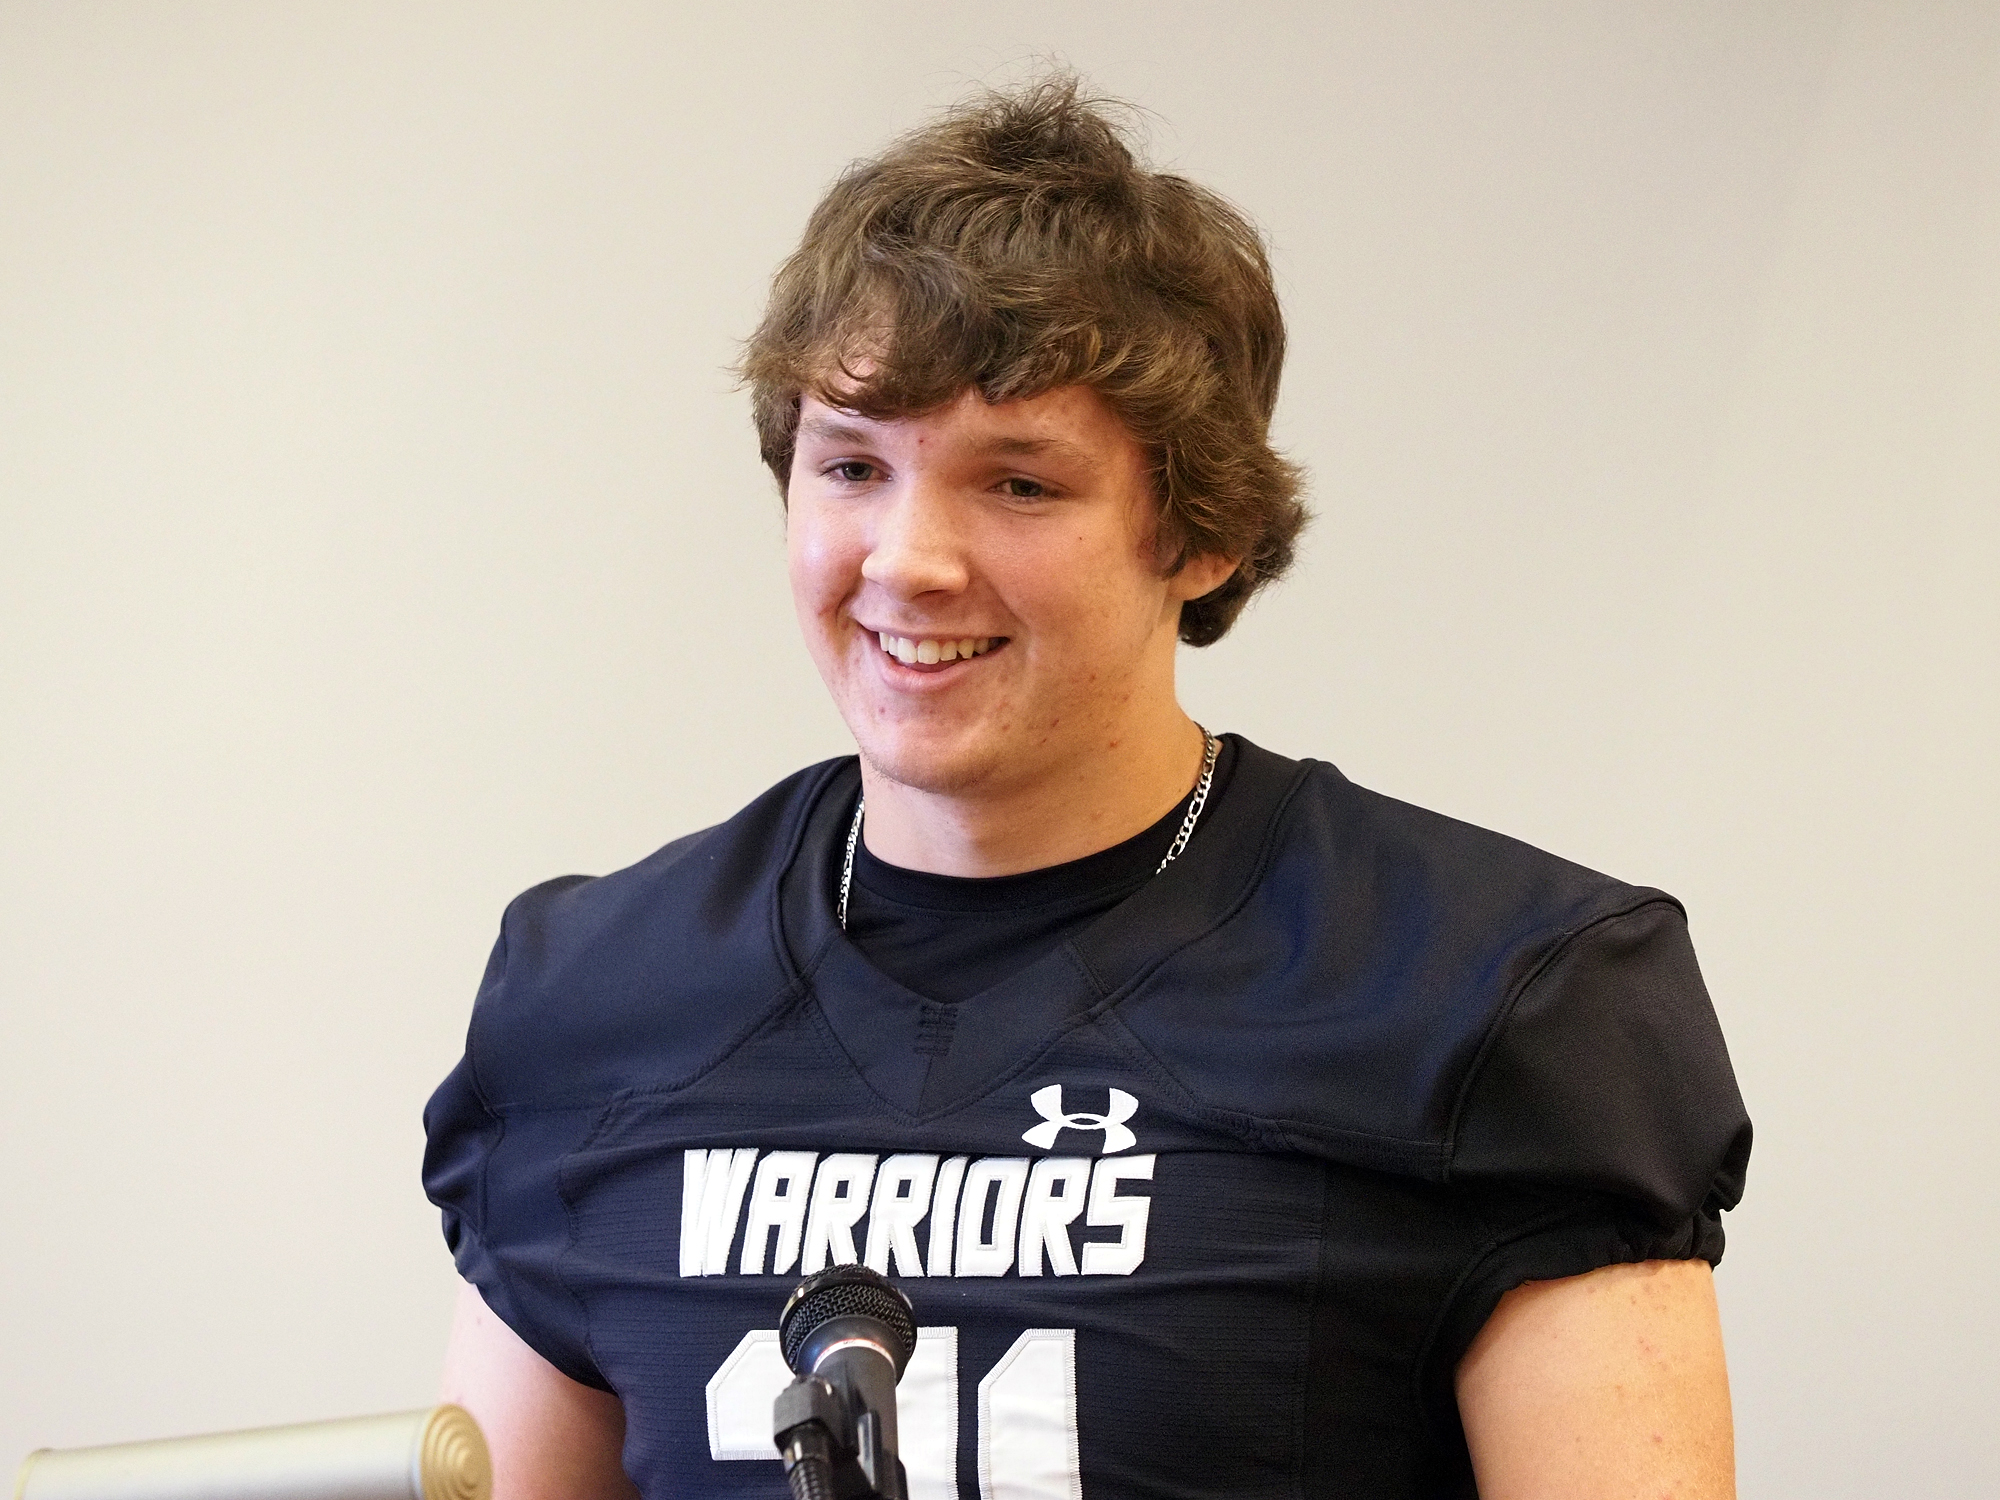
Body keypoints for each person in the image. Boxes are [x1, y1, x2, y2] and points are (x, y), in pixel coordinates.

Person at [423, 76, 1751, 1500]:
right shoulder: (597, 1001)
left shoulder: (1491, 996)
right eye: (852, 465)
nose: (908, 560)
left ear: (1200, 535)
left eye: (1021, 485)